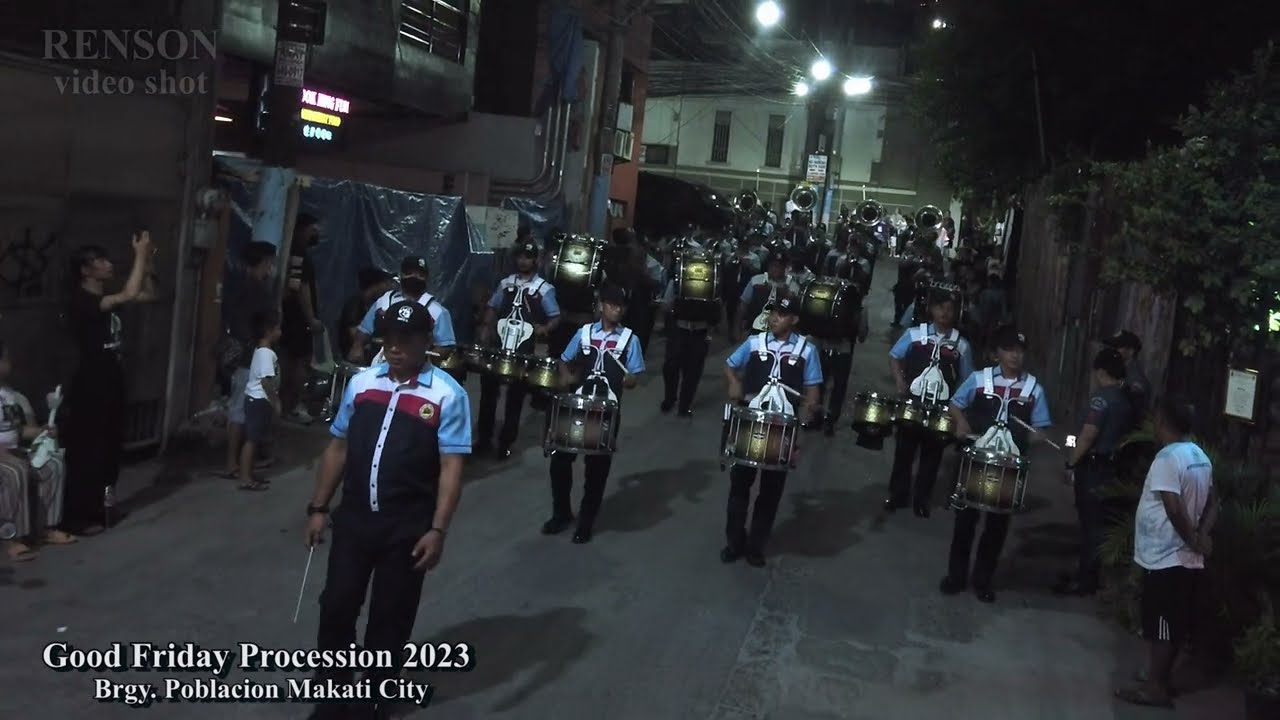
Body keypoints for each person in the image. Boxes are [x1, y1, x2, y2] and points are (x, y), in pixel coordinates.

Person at [303, 300, 469, 720]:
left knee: (389, 618)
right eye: (390, 340)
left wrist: (438, 531)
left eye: (406, 341)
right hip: (355, 519)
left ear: (425, 343)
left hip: (407, 527)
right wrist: (319, 507)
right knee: (337, 605)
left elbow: (451, 468)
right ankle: (334, 696)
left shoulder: (447, 395)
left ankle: (376, 698)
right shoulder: (361, 385)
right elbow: (338, 447)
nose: (396, 348)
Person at [1114, 396, 1217, 709]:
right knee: (1171, 623)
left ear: (1161, 421)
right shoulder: (1199, 455)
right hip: (1182, 556)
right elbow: (1215, 501)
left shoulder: (1167, 459)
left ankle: (1155, 687)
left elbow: (1173, 508)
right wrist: (1202, 535)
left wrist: (1191, 539)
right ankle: (1159, 678)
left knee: (1160, 625)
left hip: (1166, 556)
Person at [940, 326, 1051, 603]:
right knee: (965, 521)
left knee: (997, 527)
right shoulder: (979, 379)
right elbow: (955, 404)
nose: (1015, 356)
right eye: (1009, 349)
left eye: (1020, 351)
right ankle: (956, 577)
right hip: (975, 459)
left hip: (1008, 468)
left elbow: (1042, 429)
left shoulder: (1034, 388)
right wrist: (962, 423)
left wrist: (1035, 437)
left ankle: (983, 581)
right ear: (996, 353)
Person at [60, 234, 155, 534]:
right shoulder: (82, 301)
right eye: (100, 261)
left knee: (111, 446)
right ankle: (78, 516)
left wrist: (148, 262)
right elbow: (128, 294)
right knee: (88, 449)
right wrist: (139, 254)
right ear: (85, 271)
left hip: (112, 378)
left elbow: (146, 294)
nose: (108, 264)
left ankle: (104, 507)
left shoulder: (107, 299)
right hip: (91, 382)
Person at [722, 297, 823, 567]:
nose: (774, 317)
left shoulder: (807, 350)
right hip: (751, 420)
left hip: (782, 426)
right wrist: (733, 383)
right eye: (773, 313)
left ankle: (756, 545)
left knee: (771, 490)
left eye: (782, 314)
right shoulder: (754, 343)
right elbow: (730, 364)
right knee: (740, 484)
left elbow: (813, 386)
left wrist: (812, 404)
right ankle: (734, 541)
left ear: (794, 320)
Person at [543, 284, 645, 544]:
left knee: (597, 468)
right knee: (560, 459)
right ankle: (561, 513)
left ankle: (586, 522)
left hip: (607, 410)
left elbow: (634, 376)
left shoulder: (629, 340)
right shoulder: (584, 333)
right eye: (612, 304)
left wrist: (631, 380)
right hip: (578, 404)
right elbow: (565, 360)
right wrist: (566, 378)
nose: (617, 310)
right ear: (601, 306)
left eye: (621, 306)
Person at [1053, 348, 1132, 596]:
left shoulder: (1100, 399)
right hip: (1110, 467)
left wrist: (1070, 461)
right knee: (1097, 524)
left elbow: (1086, 436)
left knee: (1090, 526)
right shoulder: (1124, 399)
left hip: (1093, 467)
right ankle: (1086, 574)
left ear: (1099, 372)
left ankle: (1085, 580)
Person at [887, 294, 974, 516]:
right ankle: (897, 495)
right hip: (913, 403)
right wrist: (899, 381)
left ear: (957, 313)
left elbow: (967, 380)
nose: (944, 313)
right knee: (904, 451)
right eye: (940, 307)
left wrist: (958, 407)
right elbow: (895, 356)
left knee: (932, 455)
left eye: (950, 309)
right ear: (932, 309)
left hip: (941, 410)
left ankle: (921, 500)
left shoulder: (961, 346)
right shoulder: (914, 334)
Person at [475, 240, 561, 458]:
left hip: (524, 347)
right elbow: (493, 307)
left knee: (516, 395)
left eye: (528, 257)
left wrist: (543, 329)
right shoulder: (505, 283)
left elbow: (555, 317)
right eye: (520, 256)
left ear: (535, 260)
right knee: (488, 391)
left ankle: (506, 441)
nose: (523, 261)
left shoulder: (544, 289)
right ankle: (484, 439)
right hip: (498, 344)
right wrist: (486, 327)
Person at [0, 341, 75, 561]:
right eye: (4, 358)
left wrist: (43, 431)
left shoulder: (10, 396)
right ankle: (12, 538)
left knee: (53, 465)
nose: (8, 363)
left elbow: (20, 430)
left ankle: (46, 528)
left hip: (14, 450)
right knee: (16, 471)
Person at [222, 241, 278, 479]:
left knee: (240, 410)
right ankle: (236, 465)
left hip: (244, 354)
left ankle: (235, 462)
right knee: (242, 412)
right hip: (249, 357)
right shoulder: (255, 290)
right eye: (271, 262)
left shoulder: (240, 285)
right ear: (265, 262)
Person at [350, 256, 459, 380]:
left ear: (427, 278)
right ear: (401, 275)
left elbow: (445, 345)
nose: (414, 277)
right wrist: (357, 346)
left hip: (416, 372)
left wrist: (421, 358)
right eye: (410, 273)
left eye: (420, 274)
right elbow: (364, 330)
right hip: (380, 365)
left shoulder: (437, 311)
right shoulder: (384, 301)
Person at [658, 264, 720, 417]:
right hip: (679, 329)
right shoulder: (678, 282)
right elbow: (667, 305)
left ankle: (684, 405)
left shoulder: (713, 284)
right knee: (671, 366)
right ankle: (670, 397)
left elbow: (717, 310)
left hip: (700, 332)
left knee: (693, 371)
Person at [280, 213, 323, 425]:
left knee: (293, 362)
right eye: (313, 228)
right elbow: (300, 289)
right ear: (301, 230)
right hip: (297, 321)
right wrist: (311, 318)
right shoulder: (299, 256)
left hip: (293, 320)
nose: (317, 232)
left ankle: (287, 407)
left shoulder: (296, 253)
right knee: (298, 363)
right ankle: (292, 406)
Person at [237, 312, 282, 492]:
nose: (280, 332)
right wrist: (276, 402)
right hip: (258, 401)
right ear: (268, 331)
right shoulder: (265, 353)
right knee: (252, 440)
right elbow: (266, 382)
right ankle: (245, 478)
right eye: (278, 328)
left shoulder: (262, 351)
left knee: (254, 439)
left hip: (257, 400)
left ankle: (248, 473)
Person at [336, 268, 393, 364]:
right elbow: (354, 336)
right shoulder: (354, 305)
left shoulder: (372, 303)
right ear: (376, 285)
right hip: (355, 358)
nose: (389, 286)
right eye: (386, 282)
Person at [736, 251, 800, 335]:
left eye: (779, 266)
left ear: (785, 268)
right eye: (773, 265)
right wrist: (740, 327)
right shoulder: (756, 280)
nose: (775, 269)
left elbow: (794, 313)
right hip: (754, 327)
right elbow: (744, 304)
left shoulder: (793, 286)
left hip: (780, 331)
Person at [1103, 330, 1150, 426]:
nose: (1112, 350)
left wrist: (1118, 384)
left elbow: (1137, 390)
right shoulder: (1120, 371)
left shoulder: (1134, 374)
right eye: (1111, 347)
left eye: (1117, 347)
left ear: (1131, 351)